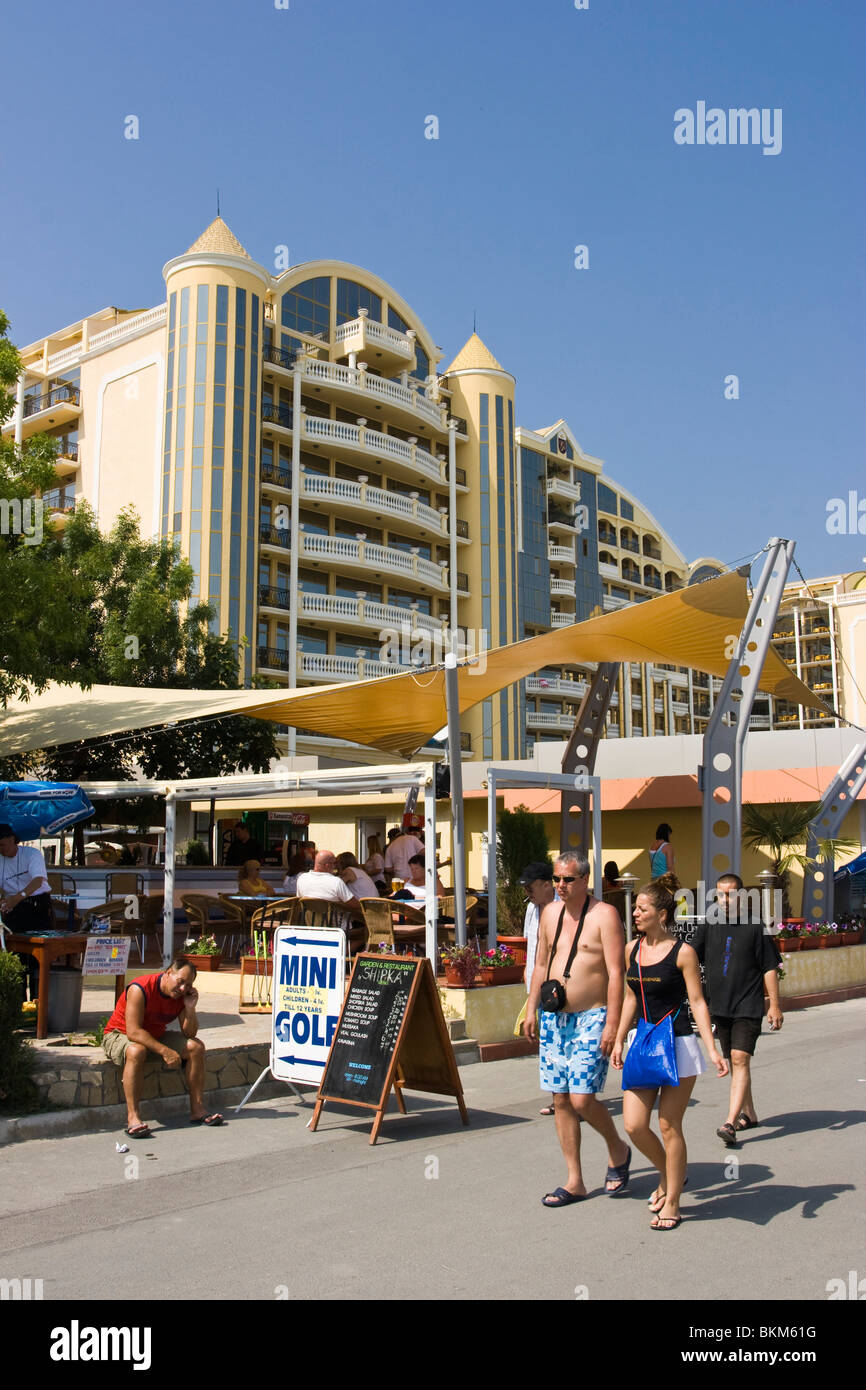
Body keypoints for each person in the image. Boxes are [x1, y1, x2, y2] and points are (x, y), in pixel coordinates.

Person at [612, 876, 728, 1230]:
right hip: (643, 1042)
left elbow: (697, 1002)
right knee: (633, 1125)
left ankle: (673, 1200)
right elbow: (631, 997)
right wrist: (618, 1039)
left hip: (678, 1045)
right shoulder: (632, 949)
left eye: (642, 909)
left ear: (662, 914)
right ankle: (670, 1173)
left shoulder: (683, 953)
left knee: (668, 1124)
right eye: (635, 909)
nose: (635, 913)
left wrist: (712, 1049)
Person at [523, 849, 632, 1206]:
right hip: (556, 1017)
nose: (560, 886)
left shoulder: (606, 915)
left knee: (582, 1098)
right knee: (560, 1098)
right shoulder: (549, 912)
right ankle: (575, 1180)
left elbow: (617, 973)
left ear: (585, 879)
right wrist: (531, 1008)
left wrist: (613, 1025)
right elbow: (541, 963)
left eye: (567, 879)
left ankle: (617, 1148)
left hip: (593, 1015)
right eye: (556, 879)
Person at [691, 872, 783, 1146]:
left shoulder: (755, 926)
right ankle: (750, 1114)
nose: (724, 899)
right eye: (719, 894)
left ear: (741, 896)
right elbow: (689, 955)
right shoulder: (710, 924)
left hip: (748, 1004)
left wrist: (774, 1004)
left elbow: (769, 967)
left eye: (730, 893)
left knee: (740, 1059)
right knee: (734, 1060)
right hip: (721, 1004)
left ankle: (729, 1122)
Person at [102, 959, 223, 1137]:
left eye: (188, 985)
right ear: (168, 973)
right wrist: (164, 1051)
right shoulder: (140, 988)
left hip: (153, 1036)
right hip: (119, 1034)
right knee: (137, 1050)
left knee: (196, 1047)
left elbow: (189, 1033)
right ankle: (133, 1118)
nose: (182, 988)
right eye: (180, 981)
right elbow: (134, 1032)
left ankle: (197, 1110)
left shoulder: (181, 996)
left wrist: (190, 1008)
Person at [0, 823, 53, 1000]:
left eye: (2, 845)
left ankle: (39, 1002)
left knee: (38, 955)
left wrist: (18, 896)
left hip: (37, 904)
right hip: (14, 909)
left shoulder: (31, 854)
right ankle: (19, 1002)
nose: (1, 849)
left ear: (12, 839)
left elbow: (38, 880)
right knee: (16, 956)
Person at [519, 860, 556, 1116]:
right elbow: (530, 946)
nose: (528, 894)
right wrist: (526, 974)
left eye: (531, 889)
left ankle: (571, 1100)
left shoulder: (562, 909)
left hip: (558, 988)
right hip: (536, 985)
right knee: (548, 1046)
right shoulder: (532, 910)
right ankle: (559, 1099)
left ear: (546, 884)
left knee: (561, 1043)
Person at [296, 850, 361, 925]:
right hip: (337, 928)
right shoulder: (336, 882)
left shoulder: (302, 878)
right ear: (327, 865)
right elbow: (355, 905)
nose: (335, 866)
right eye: (334, 863)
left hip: (310, 925)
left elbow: (300, 900)